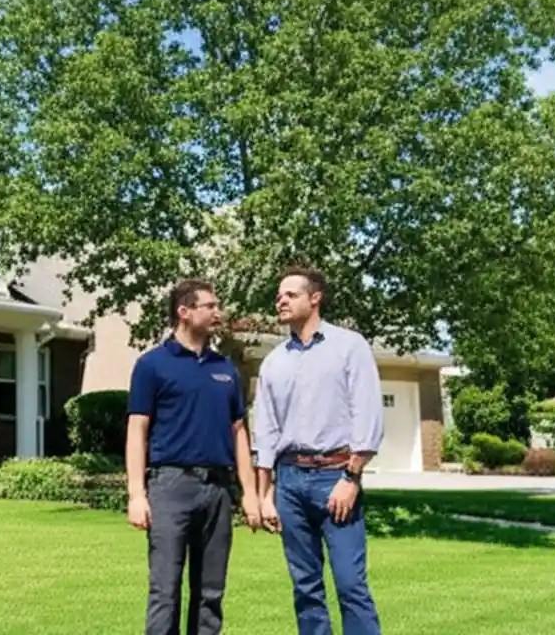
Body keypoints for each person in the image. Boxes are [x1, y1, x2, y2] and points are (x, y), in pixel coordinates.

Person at [125, 278, 261, 635]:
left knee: (210, 593)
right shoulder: (152, 365)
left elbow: (239, 432)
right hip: (171, 486)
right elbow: (137, 430)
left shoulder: (225, 369)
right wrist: (137, 494)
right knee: (165, 590)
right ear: (184, 312)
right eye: (210, 306)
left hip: (218, 490)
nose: (218, 312)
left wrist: (249, 493)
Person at [253, 265, 384, 635]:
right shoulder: (274, 361)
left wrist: (351, 477)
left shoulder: (349, 346)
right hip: (289, 483)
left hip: (335, 478)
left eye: (290, 294)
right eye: (279, 296)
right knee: (305, 587)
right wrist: (265, 495)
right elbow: (266, 432)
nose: (280, 301)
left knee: (350, 584)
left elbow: (367, 414)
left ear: (315, 298)